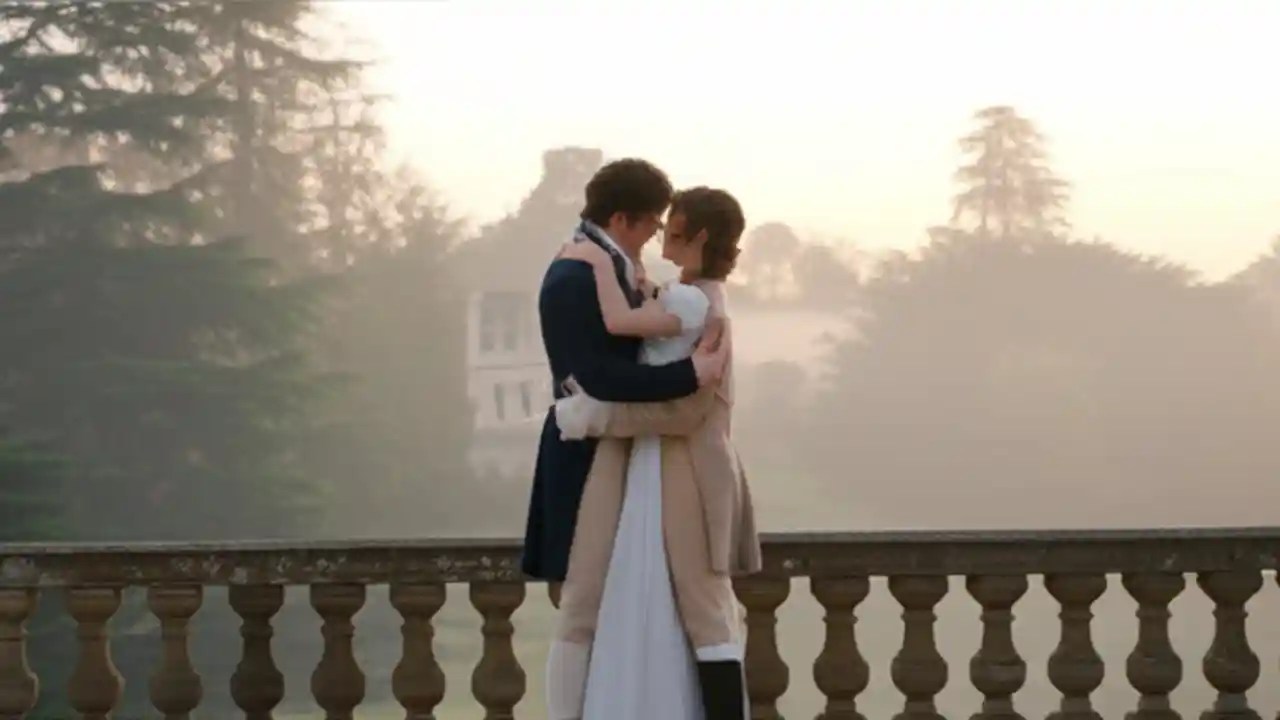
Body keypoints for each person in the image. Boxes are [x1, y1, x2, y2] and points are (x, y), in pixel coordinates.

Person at [521, 160, 731, 719]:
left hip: (625, 453)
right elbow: (596, 375)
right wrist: (689, 375)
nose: (658, 235)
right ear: (622, 219)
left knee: (628, 603)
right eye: (653, 223)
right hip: (585, 453)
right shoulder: (574, 275)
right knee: (581, 605)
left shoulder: (609, 265)